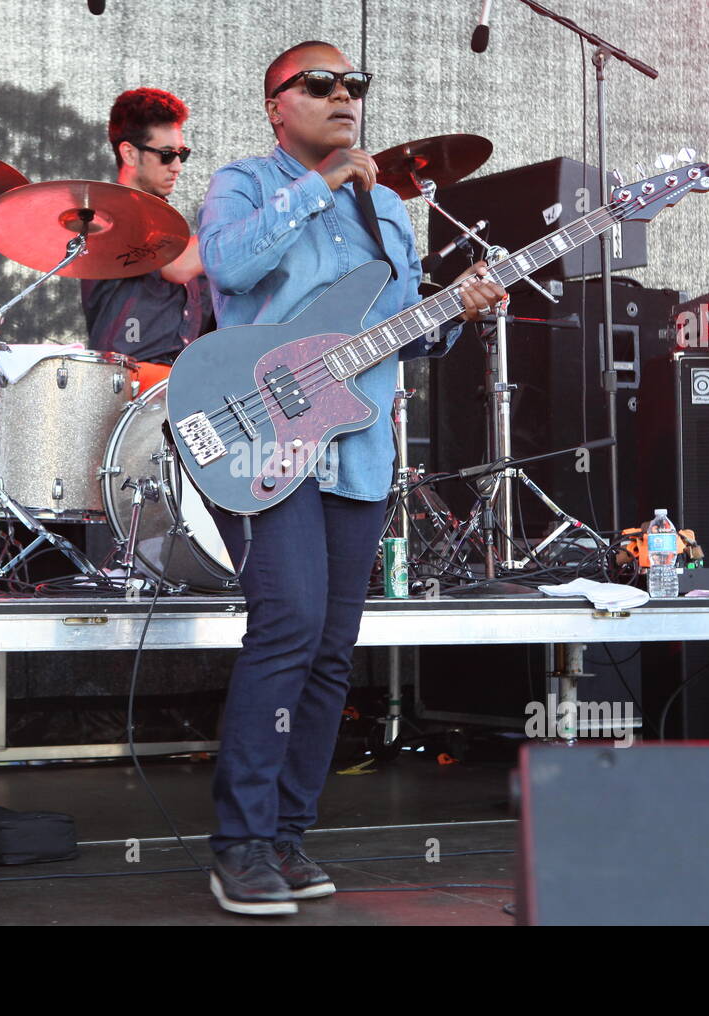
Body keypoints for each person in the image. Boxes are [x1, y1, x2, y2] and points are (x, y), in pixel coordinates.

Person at [196, 40, 506, 915]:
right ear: (277, 105)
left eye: (354, 85)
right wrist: (320, 187)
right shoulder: (246, 183)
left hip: (358, 450)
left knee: (333, 651)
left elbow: (402, 330)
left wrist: (455, 313)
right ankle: (239, 844)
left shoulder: (392, 213)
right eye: (321, 84)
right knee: (287, 623)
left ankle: (287, 837)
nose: (344, 96)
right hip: (260, 436)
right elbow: (228, 267)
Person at [80, 88, 215, 392]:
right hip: (127, 385)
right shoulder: (108, 214)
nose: (177, 166)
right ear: (129, 153)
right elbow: (178, 266)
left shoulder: (173, 227)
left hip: (180, 386)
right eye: (166, 155)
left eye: (182, 154)